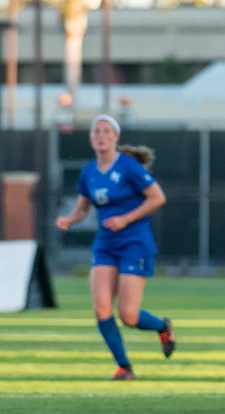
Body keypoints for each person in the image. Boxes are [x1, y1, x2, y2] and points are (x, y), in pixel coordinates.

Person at [54, 115, 177, 381]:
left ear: (115, 137)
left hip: (135, 243)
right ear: (91, 138)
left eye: (106, 131)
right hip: (106, 244)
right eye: (96, 131)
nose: (100, 135)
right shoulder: (88, 171)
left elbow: (158, 197)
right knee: (101, 309)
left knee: (129, 316)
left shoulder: (129, 167)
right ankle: (125, 367)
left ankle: (162, 326)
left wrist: (126, 218)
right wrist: (69, 219)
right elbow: (82, 208)